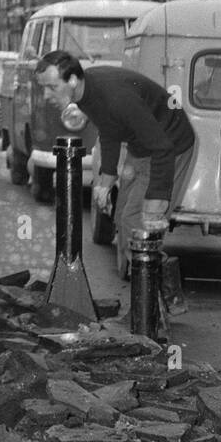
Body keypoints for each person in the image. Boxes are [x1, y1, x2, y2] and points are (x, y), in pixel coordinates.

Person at [34, 49, 196, 280]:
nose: (46, 95)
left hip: (170, 145)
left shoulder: (115, 97)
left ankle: (156, 300)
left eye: (52, 87)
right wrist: (105, 181)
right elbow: (109, 131)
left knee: (138, 224)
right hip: (141, 147)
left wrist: (155, 205)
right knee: (121, 217)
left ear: (71, 80)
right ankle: (143, 302)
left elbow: (162, 148)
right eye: (43, 87)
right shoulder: (85, 92)